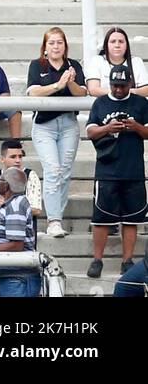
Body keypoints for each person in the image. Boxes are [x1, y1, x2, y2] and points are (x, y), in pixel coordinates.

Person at [85, 64, 148, 279]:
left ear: (130, 83)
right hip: (107, 169)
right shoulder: (100, 103)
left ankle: (127, 260)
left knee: (131, 218)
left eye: (122, 86)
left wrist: (134, 126)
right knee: (101, 219)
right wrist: (108, 128)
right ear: (109, 84)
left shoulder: (140, 103)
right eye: (115, 85)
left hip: (133, 169)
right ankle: (97, 260)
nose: (118, 90)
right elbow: (91, 131)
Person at [26, 26, 86, 237]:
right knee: (53, 170)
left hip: (69, 122)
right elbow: (33, 92)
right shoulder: (37, 65)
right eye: (51, 42)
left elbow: (82, 94)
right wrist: (57, 85)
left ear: (65, 46)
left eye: (60, 42)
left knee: (65, 171)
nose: (56, 46)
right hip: (44, 125)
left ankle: (56, 216)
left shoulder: (74, 65)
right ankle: (53, 221)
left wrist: (70, 83)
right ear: (45, 47)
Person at [0, 139, 44, 297]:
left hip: (16, 271)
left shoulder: (17, 203)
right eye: (13, 156)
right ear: (2, 159)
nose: (17, 160)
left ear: (8, 185)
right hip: (4, 265)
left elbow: (17, 244)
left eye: (20, 156)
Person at [87, 26, 148, 96]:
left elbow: (146, 89)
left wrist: (125, 92)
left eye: (121, 42)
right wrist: (121, 92)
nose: (117, 45)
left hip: (131, 105)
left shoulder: (136, 61)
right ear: (106, 45)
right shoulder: (97, 60)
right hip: (105, 105)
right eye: (113, 42)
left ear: (127, 45)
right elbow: (93, 90)